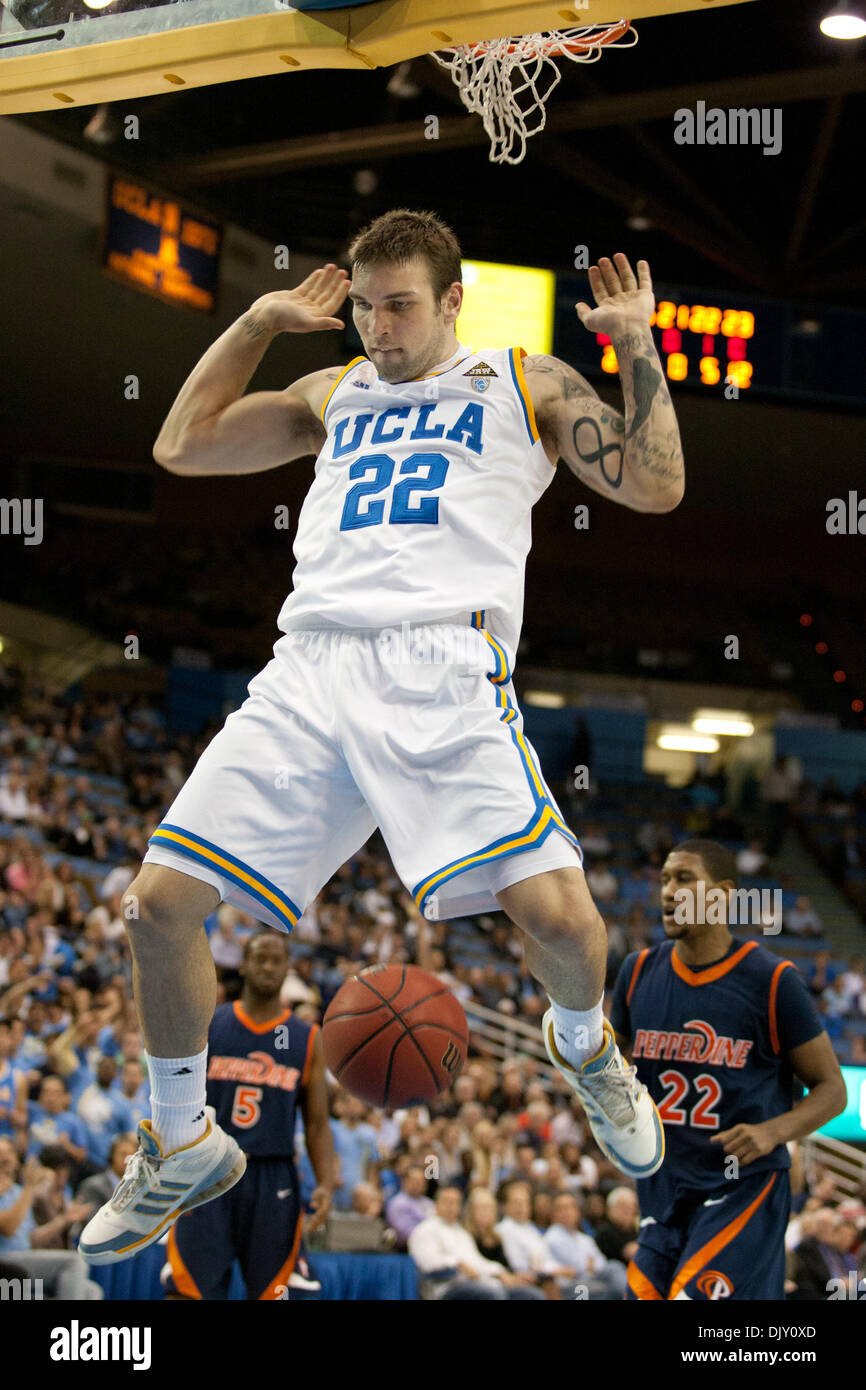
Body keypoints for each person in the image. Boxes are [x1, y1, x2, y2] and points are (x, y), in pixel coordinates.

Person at [82, 210, 682, 1261]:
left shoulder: (521, 381)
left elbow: (654, 483)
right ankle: (181, 1138)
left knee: (558, 919)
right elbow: (178, 445)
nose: (378, 326)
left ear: (452, 300)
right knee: (157, 906)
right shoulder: (335, 391)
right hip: (310, 668)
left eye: (398, 304)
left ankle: (585, 1048)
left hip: (442, 672)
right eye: (363, 306)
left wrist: (636, 344)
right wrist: (260, 323)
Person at [609, 838, 847, 1300]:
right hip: (664, 1188)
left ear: (721, 894)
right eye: (663, 880)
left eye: (684, 879)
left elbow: (832, 1089)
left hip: (743, 1186)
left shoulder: (771, 981)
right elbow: (610, 1072)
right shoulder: (637, 973)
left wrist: (773, 1131)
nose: (668, 892)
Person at [163, 930, 333, 1299]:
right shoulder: (210, 1023)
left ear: (288, 968)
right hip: (208, 1170)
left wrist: (325, 1183)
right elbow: (177, 1097)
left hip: (272, 1176)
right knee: (186, 1289)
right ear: (243, 964)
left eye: (276, 960)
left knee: (279, 1293)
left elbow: (318, 1123)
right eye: (260, 958)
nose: (268, 967)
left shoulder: (306, 1037)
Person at [408, 1185, 544, 1300]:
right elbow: (427, 1263)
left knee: (531, 1294)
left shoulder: (460, 1232)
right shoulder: (425, 1230)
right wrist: (457, 1263)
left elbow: (477, 1261)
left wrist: (501, 1272)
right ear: (436, 1204)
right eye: (447, 1202)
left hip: (473, 1282)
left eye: (456, 1203)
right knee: (494, 1294)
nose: (452, 1207)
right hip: (444, 1287)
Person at [543, 1191, 627, 1299]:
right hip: (571, 1285)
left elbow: (601, 1262)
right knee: (604, 1290)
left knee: (614, 1266)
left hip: (592, 1278)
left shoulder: (584, 1238)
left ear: (577, 1212)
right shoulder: (553, 1236)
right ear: (553, 1214)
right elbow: (577, 1266)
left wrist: (591, 1265)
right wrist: (588, 1264)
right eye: (561, 1209)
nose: (566, 1212)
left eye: (570, 1208)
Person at [384, 1162, 434, 1250]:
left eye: (421, 1182)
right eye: (414, 1181)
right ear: (404, 1182)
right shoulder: (397, 1203)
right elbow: (405, 1233)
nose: (418, 1185)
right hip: (405, 1251)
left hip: (430, 1247)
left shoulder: (428, 1203)